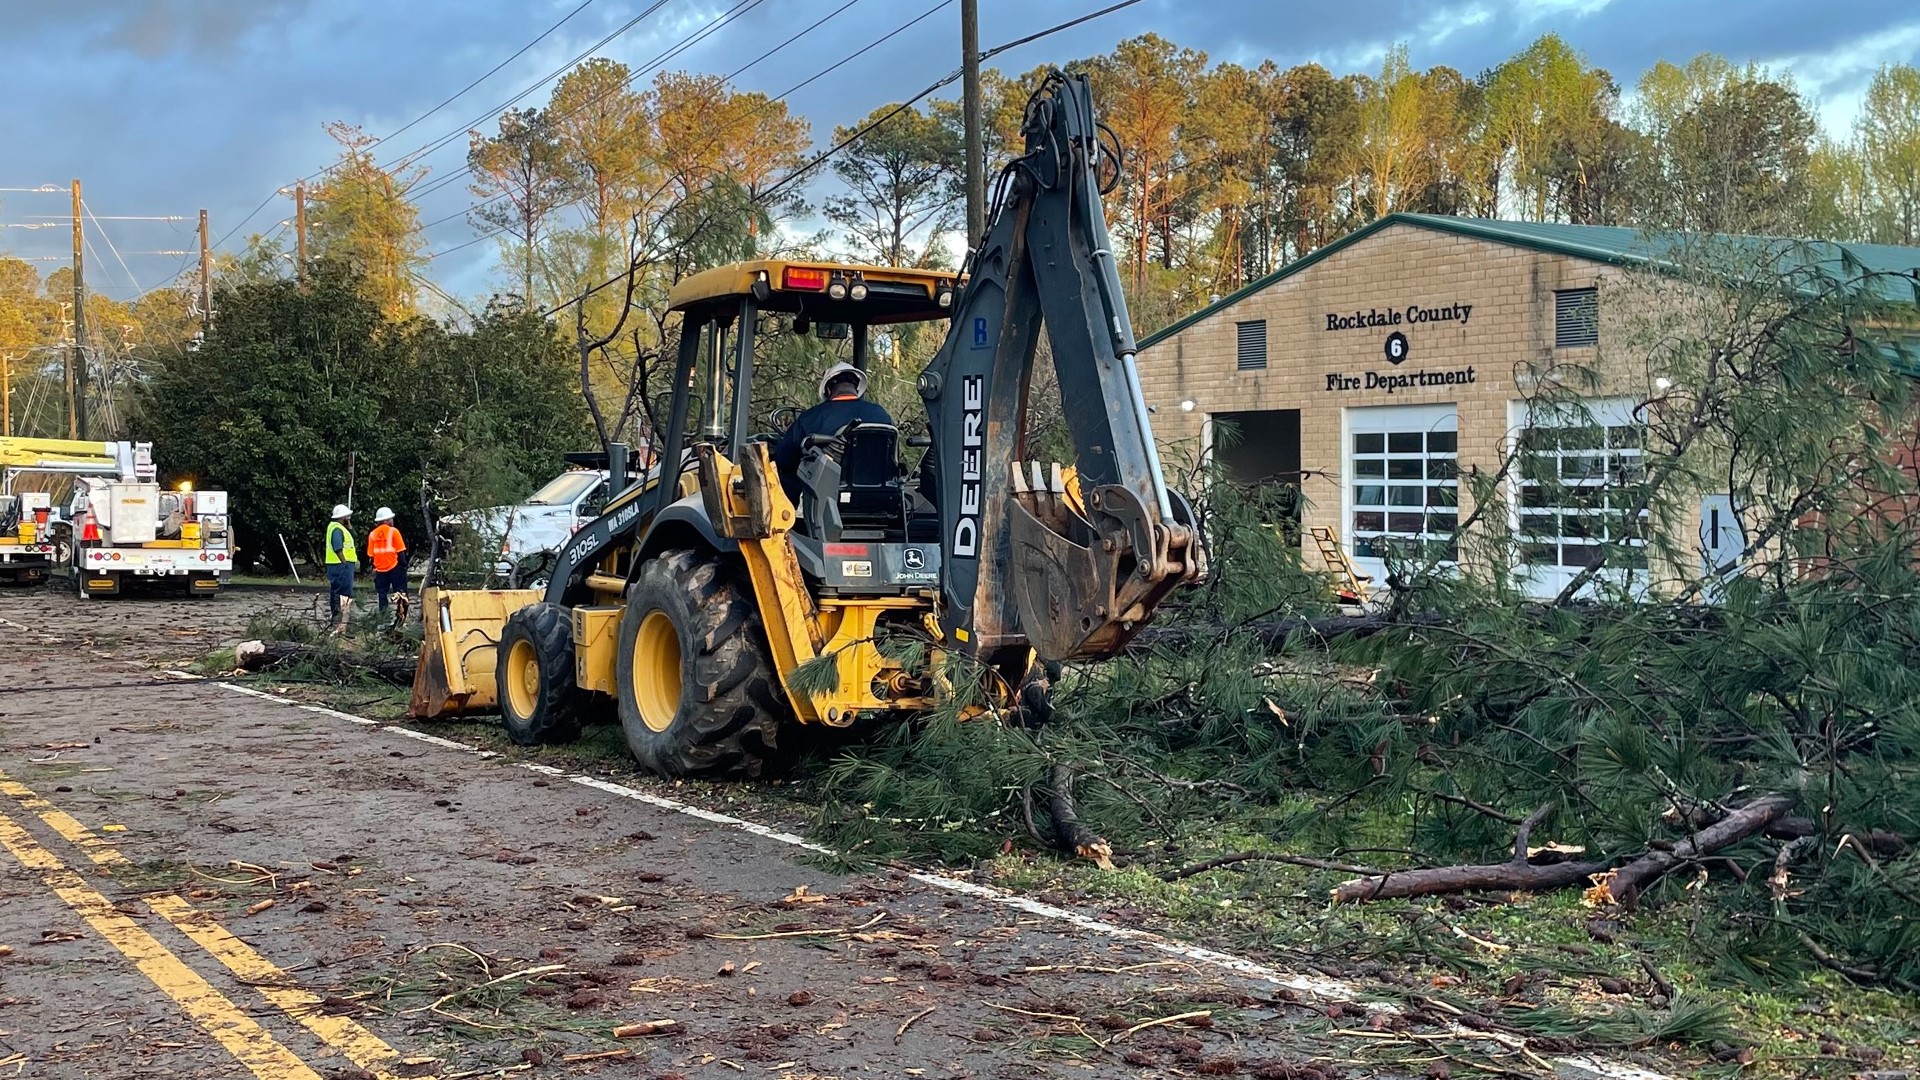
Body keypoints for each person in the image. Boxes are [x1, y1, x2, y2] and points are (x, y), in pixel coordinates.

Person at [773, 361, 894, 499]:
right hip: (878, 498)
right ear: (856, 387)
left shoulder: (811, 417)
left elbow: (783, 459)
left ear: (829, 389)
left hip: (826, 500)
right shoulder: (881, 415)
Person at [367, 507, 408, 616]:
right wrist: (404, 566)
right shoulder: (393, 531)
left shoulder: (372, 534)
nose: (392, 521)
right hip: (395, 567)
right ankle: (401, 618)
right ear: (387, 520)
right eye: (391, 518)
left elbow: (371, 555)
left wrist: (375, 567)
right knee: (401, 594)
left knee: (382, 595)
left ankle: (383, 617)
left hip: (380, 569)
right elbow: (400, 552)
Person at [324, 504, 357, 629]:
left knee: (337, 592)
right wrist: (344, 562)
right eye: (347, 517)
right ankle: (341, 622)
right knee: (343, 594)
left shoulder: (336, 527)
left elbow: (354, 537)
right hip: (341, 565)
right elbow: (338, 547)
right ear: (342, 517)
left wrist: (350, 527)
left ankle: (337, 620)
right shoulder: (337, 529)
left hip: (336, 564)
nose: (348, 519)